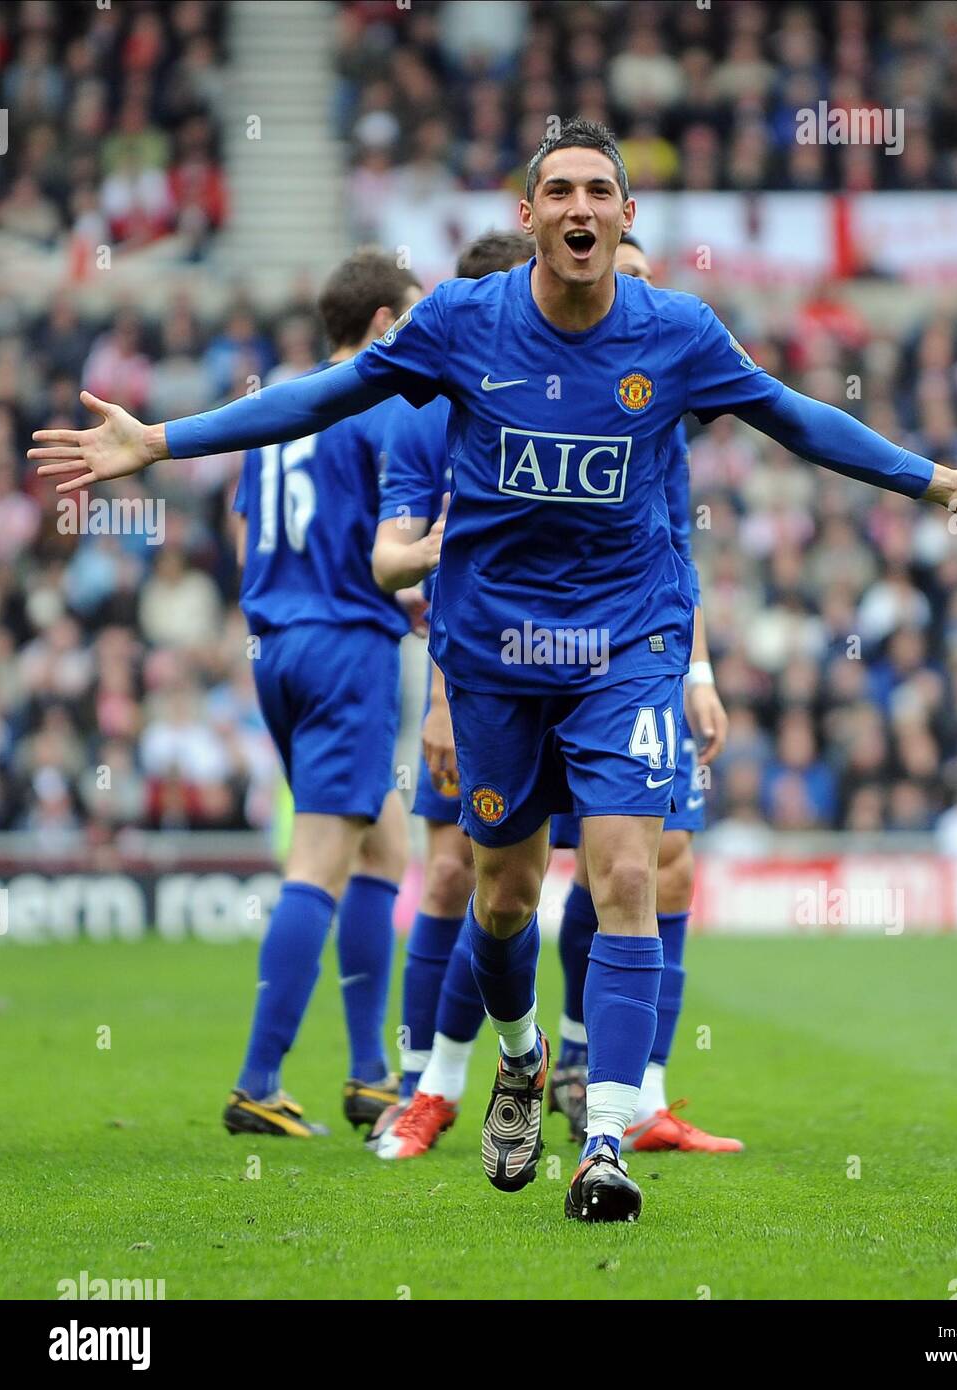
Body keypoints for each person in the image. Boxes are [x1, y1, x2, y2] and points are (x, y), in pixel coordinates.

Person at [32, 118, 957, 1221]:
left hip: (627, 645)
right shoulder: (462, 321)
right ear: (528, 216)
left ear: (627, 219)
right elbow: (325, 396)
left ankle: (605, 1136)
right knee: (504, 893)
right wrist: (165, 441)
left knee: (625, 875)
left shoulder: (676, 333)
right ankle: (518, 1058)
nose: (580, 209)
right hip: (493, 653)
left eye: (600, 194)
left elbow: (795, 418)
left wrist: (934, 482)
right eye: (560, 192)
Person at [221, 248, 439, 1138]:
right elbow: (393, 545)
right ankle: (257, 1083)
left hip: (275, 642)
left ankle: (367, 1075)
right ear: (386, 324)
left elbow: (245, 540)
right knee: (318, 859)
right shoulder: (378, 405)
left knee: (382, 850)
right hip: (347, 645)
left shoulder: (281, 402)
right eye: (416, 317)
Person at [547, 234, 738, 1154]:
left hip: (647, 660)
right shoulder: (549, 402)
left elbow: (672, 553)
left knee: (659, 864)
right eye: (631, 286)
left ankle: (643, 1093)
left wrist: (696, 671)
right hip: (545, 661)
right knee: (544, 876)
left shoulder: (659, 415)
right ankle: (566, 1055)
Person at [369, 229, 534, 1157]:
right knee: (455, 876)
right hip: (465, 674)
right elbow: (391, 559)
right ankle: (420, 1080)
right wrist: (439, 547)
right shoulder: (422, 409)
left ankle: (593, 1082)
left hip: (583, 671)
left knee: (607, 875)